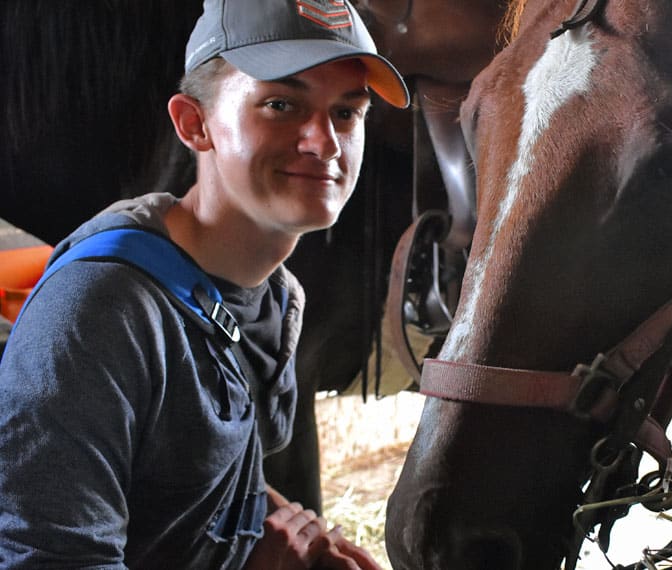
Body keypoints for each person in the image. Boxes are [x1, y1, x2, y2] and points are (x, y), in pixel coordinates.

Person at [0, 0, 408, 568]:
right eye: (281, 105)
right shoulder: (99, 318)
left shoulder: (277, 297)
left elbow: (181, 488)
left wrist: (289, 533)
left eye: (346, 113)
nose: (326, 143)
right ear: (195, 124)